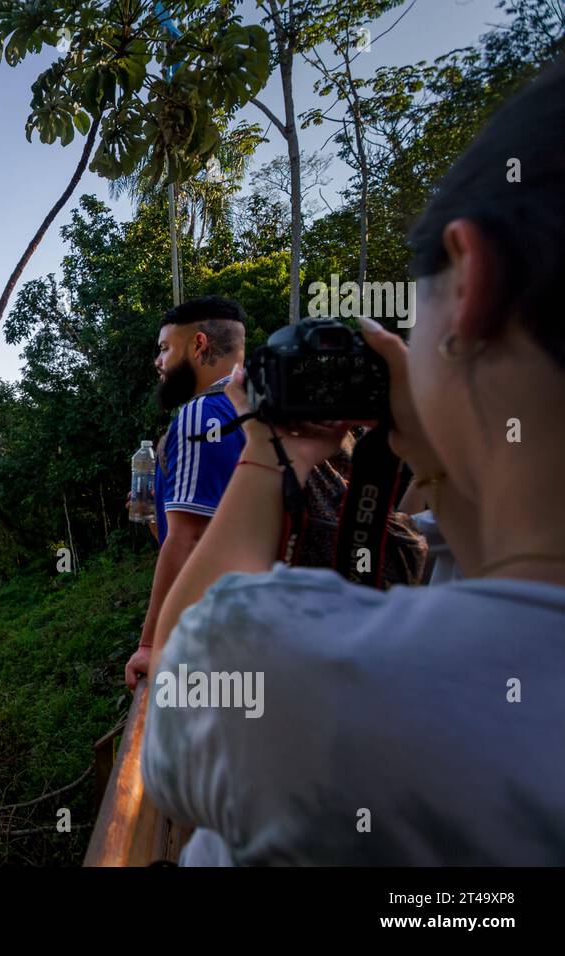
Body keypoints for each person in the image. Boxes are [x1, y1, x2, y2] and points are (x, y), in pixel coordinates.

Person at [141, 56, 565, 865]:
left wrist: (270, 450)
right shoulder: (447, 565)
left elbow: (184, 666)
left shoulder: (301, 664)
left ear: (473, 277)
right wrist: (433, 450)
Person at [124, 296, 247, 688]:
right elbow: (219, 531)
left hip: (218, 637)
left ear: (198, 345)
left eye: (164, 348)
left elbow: (190, 537)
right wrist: (158, 522)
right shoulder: (255, 405)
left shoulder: (203, 414)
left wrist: (149, 645)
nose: (158, 362)